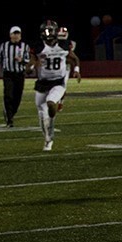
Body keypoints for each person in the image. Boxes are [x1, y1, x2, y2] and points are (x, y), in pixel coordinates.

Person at [28, 20, 80, 152]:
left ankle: (53, 115)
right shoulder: (38, 47)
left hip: (58, 82)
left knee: (51, 104)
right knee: (42, 115)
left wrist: (77, 70)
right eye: (46, 31)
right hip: (42, 83)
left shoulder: (63, 45)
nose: (48, 33)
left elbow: (74, 58)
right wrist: (33, 65)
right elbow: (30, 64)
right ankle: (47, 138)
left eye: (50, 30)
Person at [0, 26, 31, 127]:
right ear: (10, 35)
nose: (16, 35)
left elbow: (28, 59)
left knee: (17, 97)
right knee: (8, 95)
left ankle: (11, 113)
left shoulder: (25, 46)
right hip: (8, 74)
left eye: (18, 33)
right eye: (14, 33)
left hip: (19, 74)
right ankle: (10, 118)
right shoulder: (4, 46)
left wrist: (21, 60)